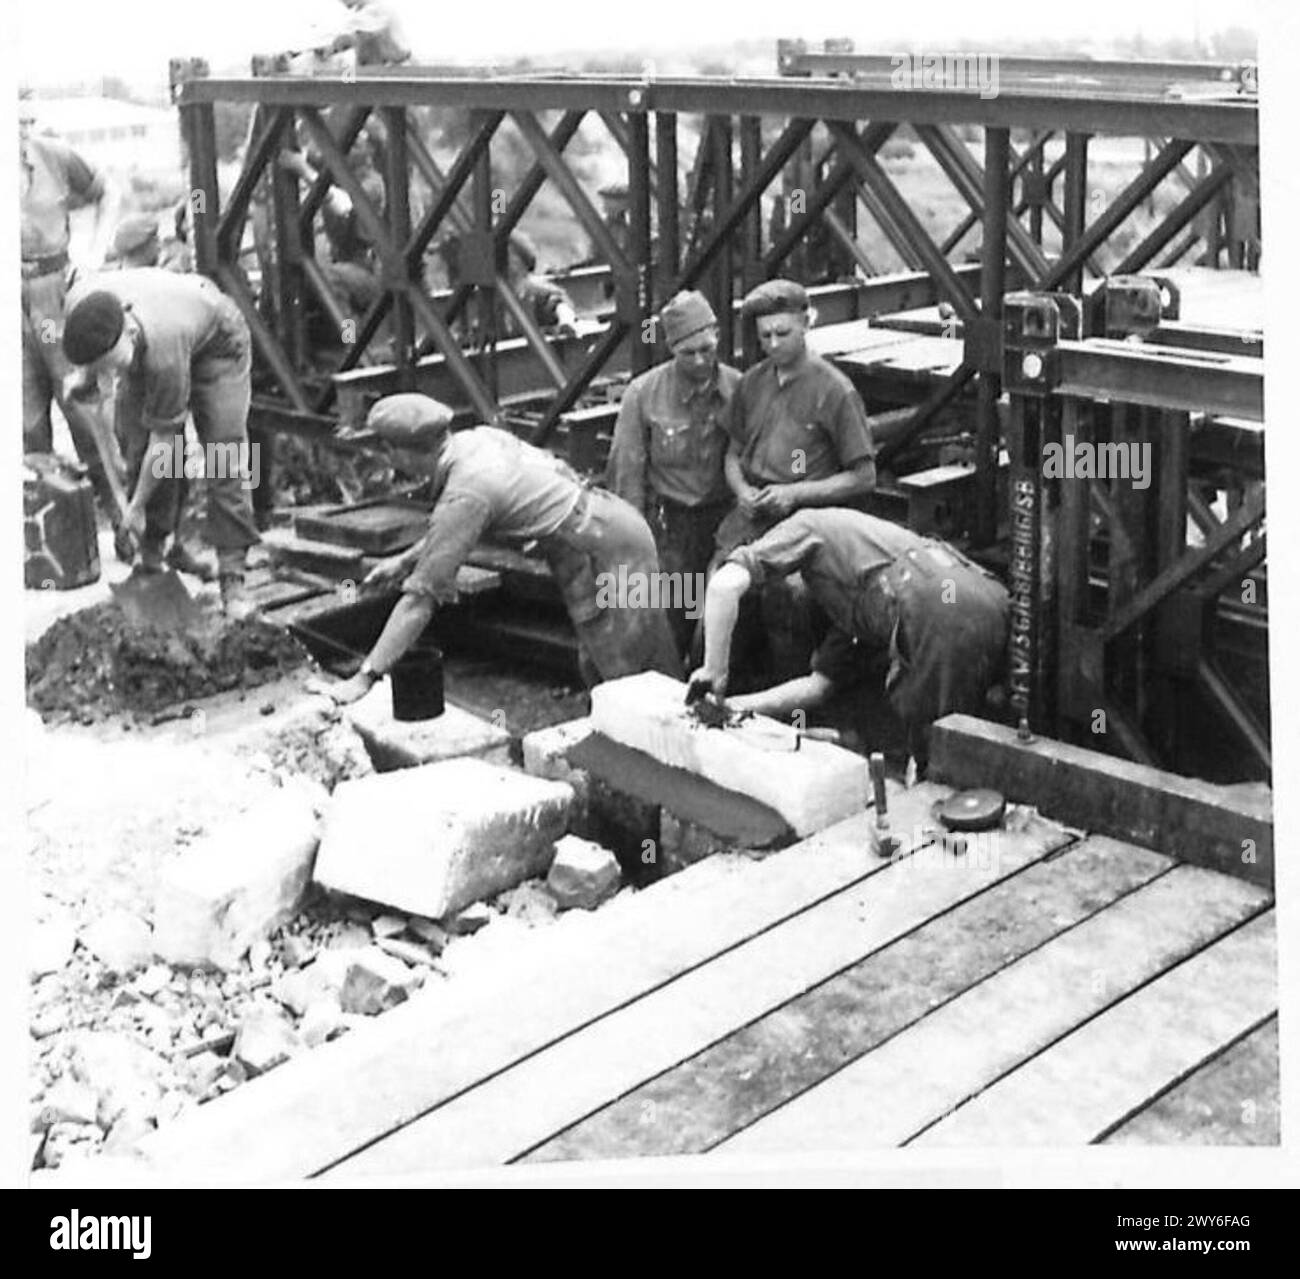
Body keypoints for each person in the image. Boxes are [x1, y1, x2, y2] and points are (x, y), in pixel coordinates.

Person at [312, 393, 682, 705]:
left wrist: (366, 676)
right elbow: (469, 523)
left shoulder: (466, 493)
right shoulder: (476, 439)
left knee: (633, 676)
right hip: (613, 527)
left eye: (387, 450)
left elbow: (419, 601)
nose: (389, 459)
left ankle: (667, 770)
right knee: (605, 663)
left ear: (403, 453)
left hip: (607, 556)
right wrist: (404, 560)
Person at [688, 507, 1010, 765]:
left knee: (938, 761)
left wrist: (714, 671)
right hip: (989, 597)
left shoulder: (806, 525)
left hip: (937, 603)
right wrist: (734, 707)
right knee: (967, 742)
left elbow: (724, 585)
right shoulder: (855, 586)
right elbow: (819, 686)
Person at [60, 272, 262, 617]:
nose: (110, 373)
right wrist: (86, 376)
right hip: (156, 336)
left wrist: (134, 505)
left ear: (131, 333)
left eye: (113, 366)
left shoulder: (163, 353)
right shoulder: (81, 303)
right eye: (101, 367)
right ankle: (153, 554)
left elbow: (165, 443)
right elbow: (96, 350)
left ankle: (233, 578)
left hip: (217, 342)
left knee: (223, 456)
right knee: (137, 445)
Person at [605, 290, 739, 651]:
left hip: (724, 521)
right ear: (670, 349)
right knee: (670, 619)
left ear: (718, 338)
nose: (699, 360)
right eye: (687, 353)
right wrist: (633, 545)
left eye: (706, 349)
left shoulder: (739, 390)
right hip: (670, 527)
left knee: (721, 622)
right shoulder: (643, 394)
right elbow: (627, 473)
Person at [19, 90, 121, 519]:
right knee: (25, 419)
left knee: (82, 404)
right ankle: (47, 533)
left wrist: (95, 252)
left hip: (53, 294)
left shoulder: (52, 155)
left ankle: (125, 520)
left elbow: (107, 190)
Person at [103, 216, 213, 578]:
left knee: (174, 464)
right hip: (141, 387)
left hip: (168, 375)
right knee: (150, 462)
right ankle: (149, 554)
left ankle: (174, 545)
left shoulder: (145, 276)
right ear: (149, 247)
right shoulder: (135, 286)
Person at [325, 0, 411, 67]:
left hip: (393, 70)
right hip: (374, 71)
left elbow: (344, 39)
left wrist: (327, 49)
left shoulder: (376, 9)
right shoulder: (362, 12)